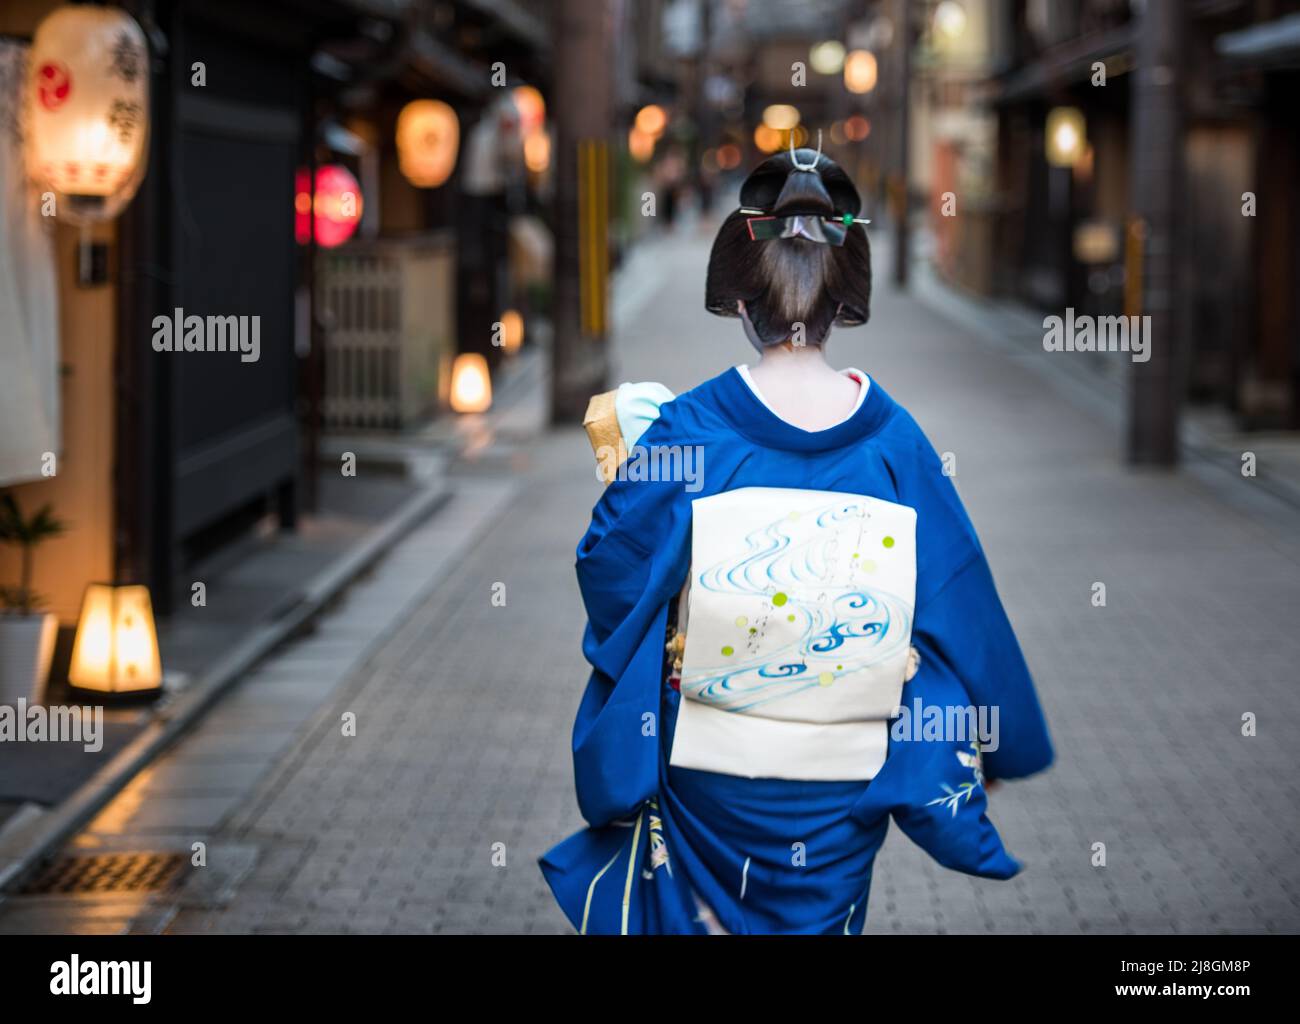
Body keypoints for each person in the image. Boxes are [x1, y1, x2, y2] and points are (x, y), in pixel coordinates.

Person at [539, 143, 1053, 935]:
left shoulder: (691, 430)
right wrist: (1001, 735)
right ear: (844, 306)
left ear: (741, 307)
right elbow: (960, 593)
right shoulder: (895, 440)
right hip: (842, 782)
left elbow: (609, 567)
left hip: (711, 771)